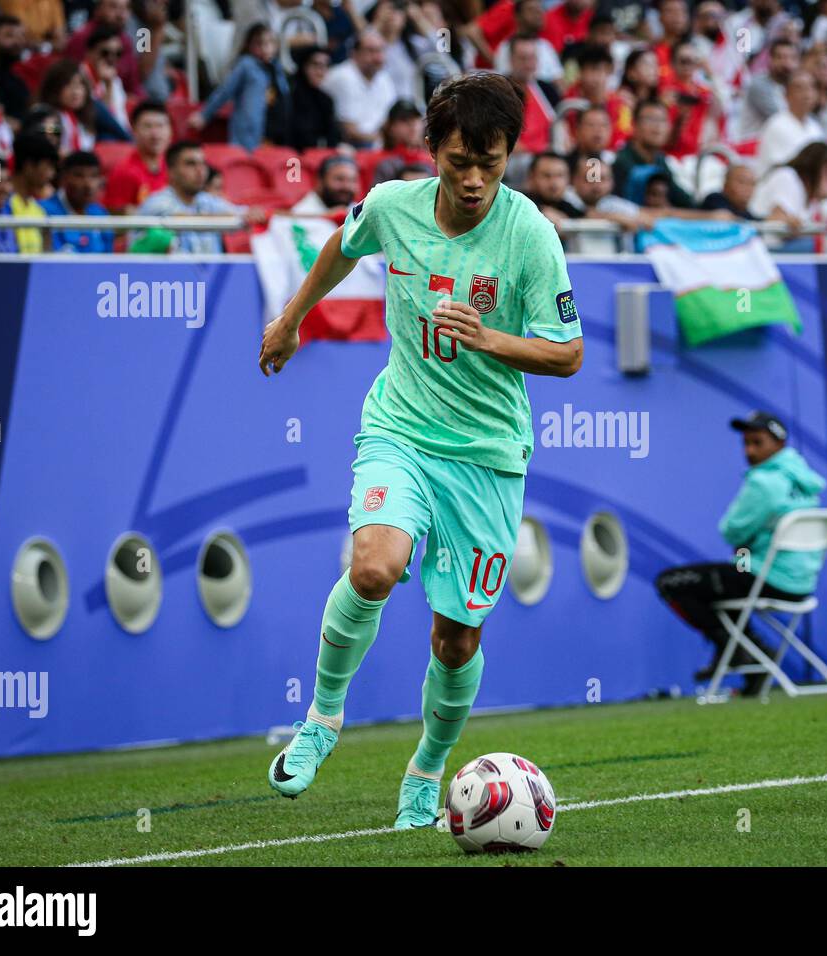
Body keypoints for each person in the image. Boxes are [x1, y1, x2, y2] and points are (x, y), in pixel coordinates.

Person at [256, 72, 584, 829]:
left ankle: (427, 768)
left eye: (492, 162)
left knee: (456, 635)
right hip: (401, 428)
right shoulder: (395, 206)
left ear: (511, 156)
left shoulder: (529, 233)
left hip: (488, 455)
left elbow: (567, 354)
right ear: (431, 147)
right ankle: (321, 721)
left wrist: (490, 338)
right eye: (460, 159)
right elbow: (344, 241)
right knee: (373, 566)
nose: (474, 180)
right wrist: (293, 316)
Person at [655, 411, 827, 695]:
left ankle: (736, 651)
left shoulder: (763, 482)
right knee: (728, 575)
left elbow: (731, 531)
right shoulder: (804, 480)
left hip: (767, 578)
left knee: (670, 582)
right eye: (746, 443)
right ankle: (751, 662)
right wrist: (746, 546)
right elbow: (744, 542)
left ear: (778, 444)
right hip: (800, 585)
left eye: (757, 442)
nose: (749, 450)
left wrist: (745, 543)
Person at [135, 141, 264, 254]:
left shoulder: (207, 200)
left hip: (207, 280)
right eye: (190, 164)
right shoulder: (157, 203)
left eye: (202, 163)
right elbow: (182, 219)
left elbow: (240, 212)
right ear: (171, 171)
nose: (200, 170)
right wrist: (239, 217)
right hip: (162, 280)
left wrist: (253, 214)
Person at [190, 23, 290, 152]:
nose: (266, 48)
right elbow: (225, 90)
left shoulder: (277, 67)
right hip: (250, 131)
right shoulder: (246, 64)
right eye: (259, 43)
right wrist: (204, 114)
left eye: (270, 43)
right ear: (249, 45)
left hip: (274, 130)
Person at [323, 27, 398, 149]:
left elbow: (390, 120)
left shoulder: (384, 78)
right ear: (354, 53)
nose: (377, 57)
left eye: (380, 51)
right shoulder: (342, 76)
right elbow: (348, 131)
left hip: (376, 144)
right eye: (371, 51)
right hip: (346, 147)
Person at [611, 99, 694, 207]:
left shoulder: (660, 159)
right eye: (650, 119)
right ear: (634, 125)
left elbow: (683, 200)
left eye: (662, 120)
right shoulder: (622, 162)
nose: (657, 126)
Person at [103, 99, 171, 214]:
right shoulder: (124, 172)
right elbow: (116, 220)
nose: (155, 134)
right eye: (147, 126)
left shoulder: (176, 169)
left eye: (160, 126)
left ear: (170, 130)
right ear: (134, 131)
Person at [40, 150, 114, 253]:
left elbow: (109, 260)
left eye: (94, 176)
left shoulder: (101, 214)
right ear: (64, 178)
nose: (88, 185)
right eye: (79, 175)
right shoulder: (44, 212)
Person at [8, 132, 57, 252]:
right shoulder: (3, 205)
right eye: (47, 167)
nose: (52, 174)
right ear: (29, 166)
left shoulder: (39, 210)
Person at [36, 59, 96, 154]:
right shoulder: (46, 114)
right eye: (68, 85)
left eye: (80, 85)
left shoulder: (81, 117)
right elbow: (49, 148)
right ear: (54, 88)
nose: (76, 92)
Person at [287, 45, 340, 152]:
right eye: (316, 65)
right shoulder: (288, 93)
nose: (320, 72)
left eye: (325, 66)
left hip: (316, 157)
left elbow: (333, 136)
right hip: (291, 158)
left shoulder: (326, 99)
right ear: (304, 66)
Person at [291, 154, 359, 215]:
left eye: (352, 181)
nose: (346, 186)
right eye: (339, 179)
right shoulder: (301, 214)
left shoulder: (360, 212)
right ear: (320, 181)